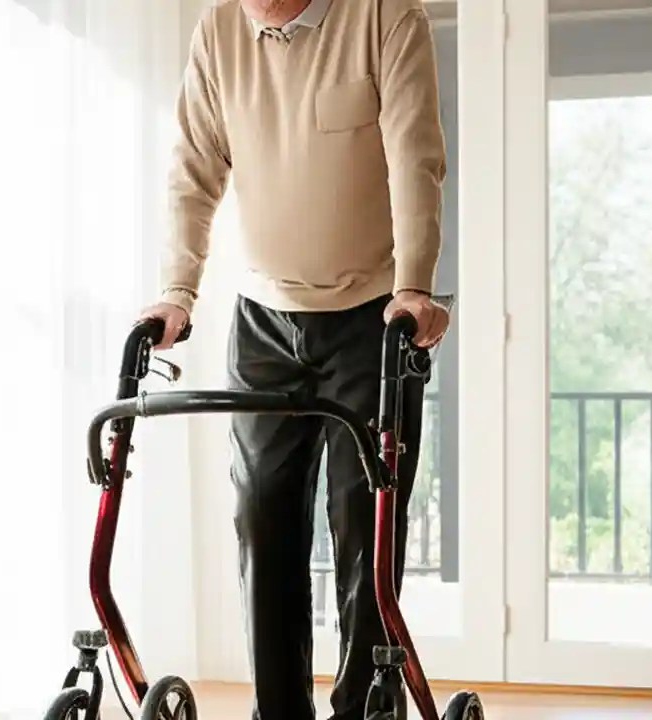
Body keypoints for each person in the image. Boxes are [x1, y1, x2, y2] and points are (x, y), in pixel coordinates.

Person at [140, 0, 448, 716]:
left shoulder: (384, 16)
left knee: (363, 522)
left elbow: (414, 156)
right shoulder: (219, 31)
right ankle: (278, 711)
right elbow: (193, 170)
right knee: (262, 516)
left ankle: (363, 704)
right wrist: (176, 293)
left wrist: (414, 286)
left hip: (371, 317)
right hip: (263, 320)